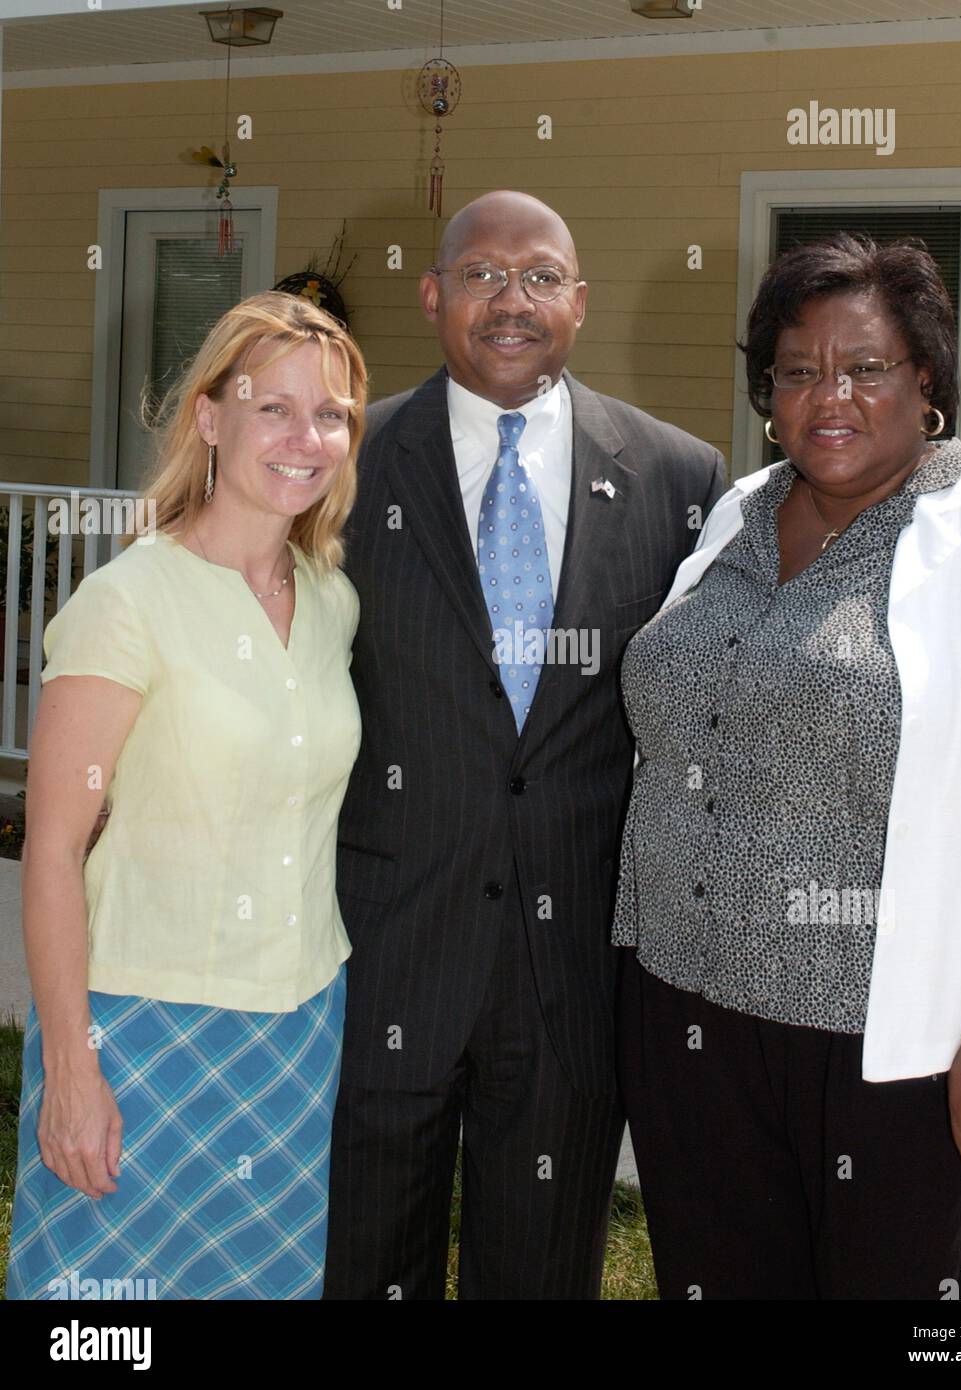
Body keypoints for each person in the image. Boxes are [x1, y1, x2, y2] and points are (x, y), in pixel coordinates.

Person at [612, 232, 961, 1300]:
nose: (829, 394)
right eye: (797, 371)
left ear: (925, 379)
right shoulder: (734, 514)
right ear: (768, 392)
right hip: (684, 1008)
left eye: (864, 367)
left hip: (885, 1040)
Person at [323, 189, 725, 1300]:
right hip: (379, 953)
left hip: (571, 972)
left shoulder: (680, 479)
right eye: (482, 274)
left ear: (580, 302)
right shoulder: (342, 465)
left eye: (540, 275)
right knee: (361, 1269)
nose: (512, 300)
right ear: (433, 294)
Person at [5, 291, 367, 1300]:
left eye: (332, 414)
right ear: (210, 417)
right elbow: (51, 853)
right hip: (139, 1026)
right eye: (274, 409)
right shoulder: (127, 602)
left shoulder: (331, 599)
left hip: (295, 1030)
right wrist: (72, 1068)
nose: (308, 438)